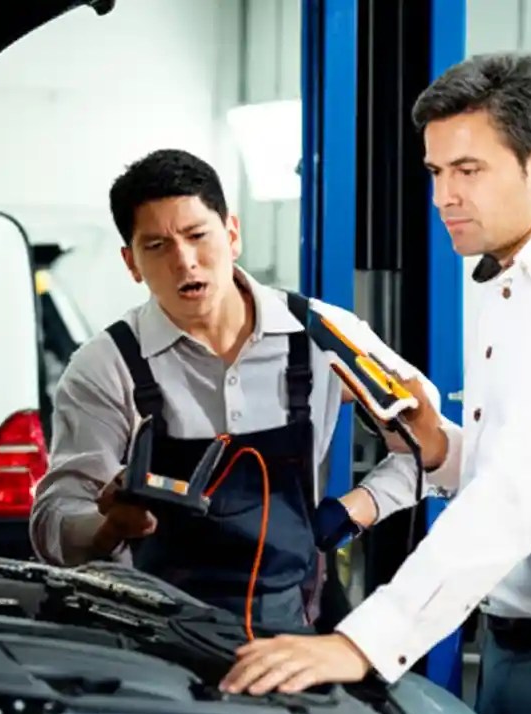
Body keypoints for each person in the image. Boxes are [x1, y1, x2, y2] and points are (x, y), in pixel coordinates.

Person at [218, 52, 531, 714]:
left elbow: (517, 493)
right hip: (512, 654)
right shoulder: (507, 288)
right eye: (436, 172)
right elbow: (498, 467)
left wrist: (362, 641)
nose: (442, 196)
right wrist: (436, 445)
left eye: (468, 170)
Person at [28, 148, 458, 632]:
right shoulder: (105, 367)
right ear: (131, 262)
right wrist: (106, 529)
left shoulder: (323, 336)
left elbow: (438, 445)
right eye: (157, 246)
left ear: (232, 234)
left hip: (295, 622)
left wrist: (354, 510)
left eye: (197, 236)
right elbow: (54, 518)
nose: (184, 262)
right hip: (156, 636)